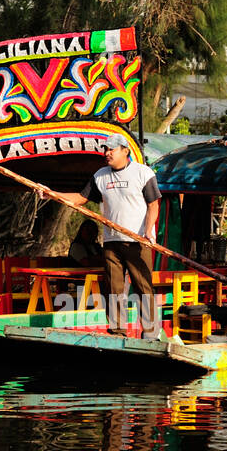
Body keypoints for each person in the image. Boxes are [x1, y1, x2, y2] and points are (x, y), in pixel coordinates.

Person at [40, 132, 159, 336]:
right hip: (112, 242)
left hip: (137, 241)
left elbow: (153, 204)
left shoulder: (143, 173)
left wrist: (148, 230)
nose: (107, 153)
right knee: (114, 289)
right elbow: (79, 198)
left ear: (125, 151)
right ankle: (117, 330)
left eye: (112, 149)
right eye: (105, 149)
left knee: (142, 287)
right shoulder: (100, 175)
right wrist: (52, 193)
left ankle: (150, 332)